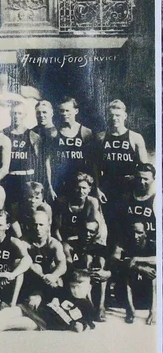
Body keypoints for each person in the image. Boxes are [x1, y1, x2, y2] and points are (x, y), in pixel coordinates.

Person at [0, 270, 97, 334]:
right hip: (34, 309)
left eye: (79, 287)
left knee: (11, 323)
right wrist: (38, 296)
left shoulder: (88, 306)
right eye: (73, 286)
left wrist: (81, 326)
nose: (75, 290)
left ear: (89, 288)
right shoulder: (64, 292)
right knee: (7, 312)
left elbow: (89, 322)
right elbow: (44, 291)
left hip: (43, 322)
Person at [95, 99, 148, 237]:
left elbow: (145, 168)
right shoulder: (101, 137)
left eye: (118, 115)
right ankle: (112, 249)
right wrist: (97, 188)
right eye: (111, 115)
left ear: (125, 116)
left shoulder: (135, 138)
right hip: (108, 187)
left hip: (129, 187)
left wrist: (141, 188)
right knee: (112, 226)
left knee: (130, 224)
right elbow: (95, 166)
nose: (114, 118)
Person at [3, 101, 44, 220]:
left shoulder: (32, 135)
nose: (16, 116)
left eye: (19, 113)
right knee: (11, 211)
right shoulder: (4, 134)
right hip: (10, 178)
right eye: (14, 113)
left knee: (28, 210)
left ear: (25, 115)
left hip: (27, 178)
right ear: (10, 114)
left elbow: (39, 162)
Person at [20, 209, 68, 309]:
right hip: (31, 279)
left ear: (48, 226)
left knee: (58, 277)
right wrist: (42, 276)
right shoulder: (24, 242)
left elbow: (62, 264)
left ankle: (55, 300)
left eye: (41, 225)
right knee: (36, 267)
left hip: (48, 279)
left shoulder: (53, 244)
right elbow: (28, 264)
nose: (38, 228)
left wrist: (54, 275)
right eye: (35, 225)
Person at [49, 98, 93, 200]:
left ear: (76, 111)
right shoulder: (53, 132)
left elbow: (91, 161)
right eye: (62, 111)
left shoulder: (85, 132)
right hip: (60, 181)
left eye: (67, 110)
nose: (64, 114)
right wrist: (50, 185)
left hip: (79, 182)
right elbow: (48, 161)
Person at [113, 221, 156, 325]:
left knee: (154, 273)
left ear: (145, 233)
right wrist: (140, 268)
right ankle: (130, 309)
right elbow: (115, 258)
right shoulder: (125, 243)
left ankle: (153, 310)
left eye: (139, 232)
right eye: (133, 232)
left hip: (147, 291)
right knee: (125, 271)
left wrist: (137, 259)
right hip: (129, 290)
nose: (135, 236)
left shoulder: (152, 244)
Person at [54, 172, 106, 245]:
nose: (81, 191)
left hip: (84, 239)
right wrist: (62, 243)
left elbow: (95, 226)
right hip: (64, 239)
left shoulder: (92, 202)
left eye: (84, 188)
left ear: (89, 189)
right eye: (78, 188)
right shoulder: (62, 202)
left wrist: (78, 238)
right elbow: (56, 229)